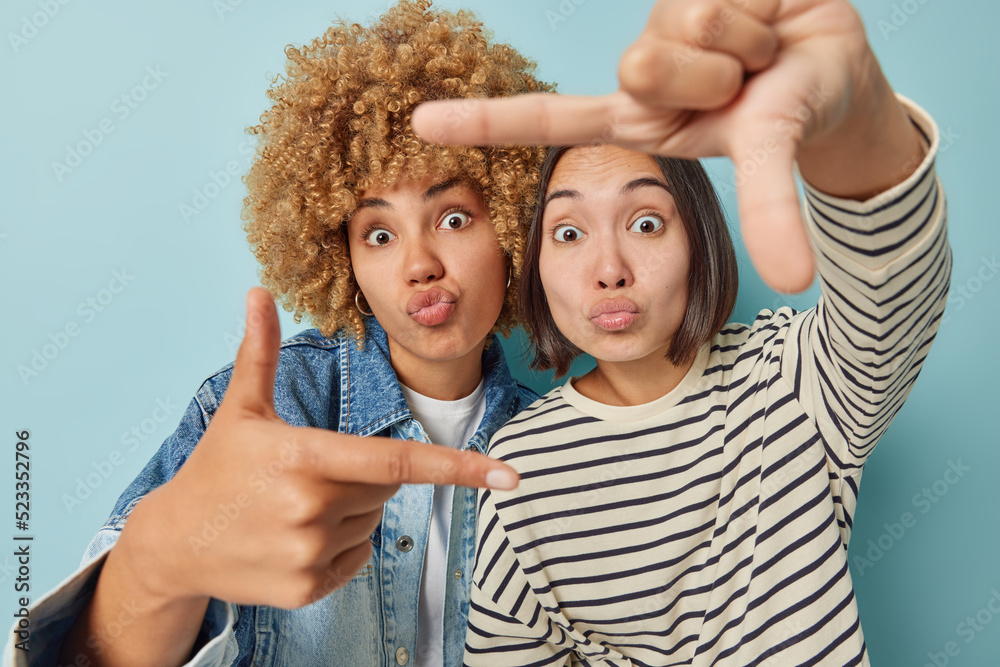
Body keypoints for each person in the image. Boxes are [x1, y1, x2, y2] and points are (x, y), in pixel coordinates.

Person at [5, 2, 552, 666]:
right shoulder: (272, 410)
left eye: (455, 218)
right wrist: (158, 563)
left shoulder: (552, 444)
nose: (418, 264)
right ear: (340, 259)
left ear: (512, 220)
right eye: (378, 233)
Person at [412, 0, 950, 664]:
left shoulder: (790, 378)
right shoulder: (519, 469)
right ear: (537, 268)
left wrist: (855, 111)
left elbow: (895, 291)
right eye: (570, 233)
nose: (609, 270)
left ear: (699, 239)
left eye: (645, 222)